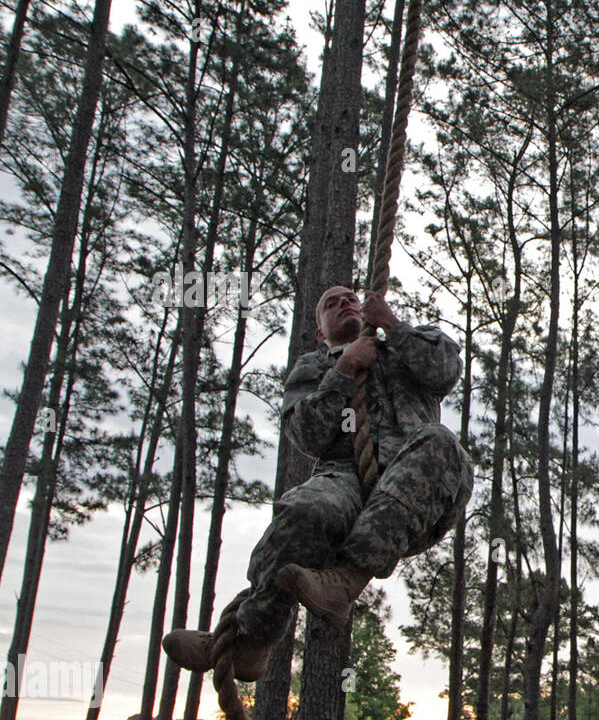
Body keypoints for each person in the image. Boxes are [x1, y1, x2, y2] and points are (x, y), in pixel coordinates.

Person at [164, 286, 474, 682]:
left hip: (416, 483)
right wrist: (343, 371)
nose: (346, 303)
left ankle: (347, 578)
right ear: (319, 333)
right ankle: (249, 637)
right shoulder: (312, 368)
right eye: (331, 303)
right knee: (304, 510)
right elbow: (308, 435)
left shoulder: (405, 343)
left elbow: (444, 370)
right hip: (345, 477)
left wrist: (393, 327)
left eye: (351, 299)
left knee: (440, 440)